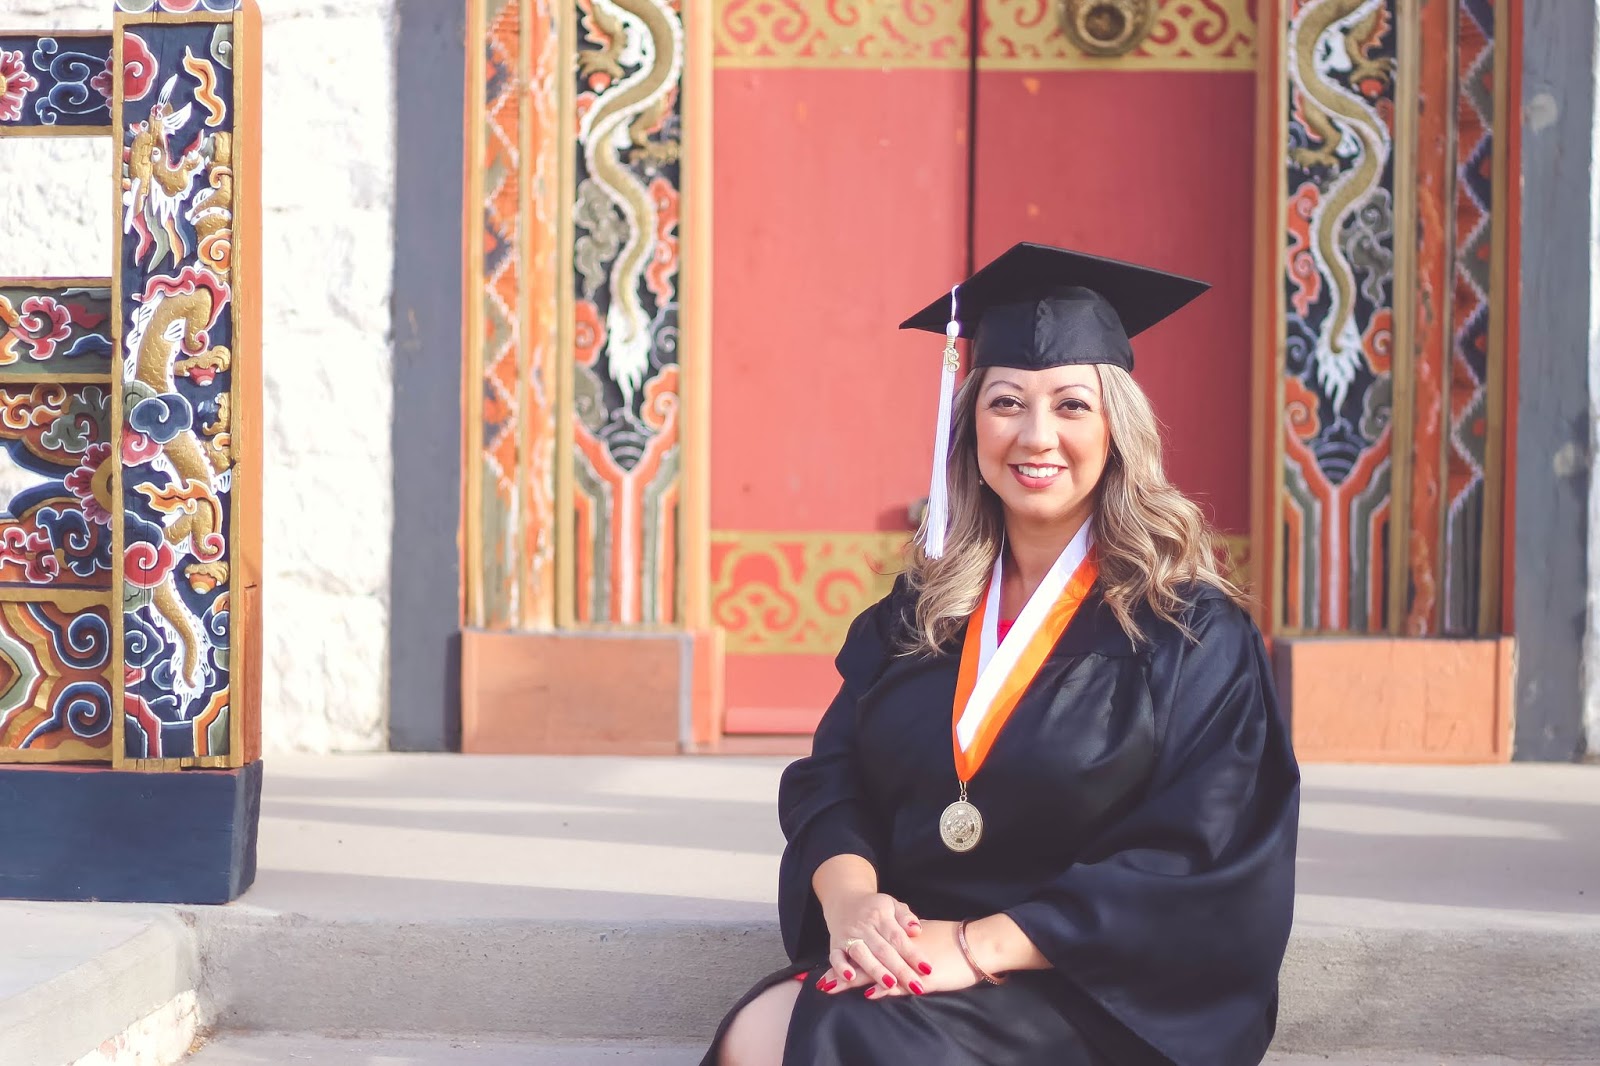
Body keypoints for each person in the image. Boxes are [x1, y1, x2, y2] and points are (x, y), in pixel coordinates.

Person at [703, 243, 1300, 1066]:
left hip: (1097, 983)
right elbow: (831, 779)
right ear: (971, 424)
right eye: (1006, 402)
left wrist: (979, 945)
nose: (1036, 435)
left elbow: (1203, 846)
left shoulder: (1189, 632)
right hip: (919, 951)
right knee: (759, 1028)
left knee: (829, 1034)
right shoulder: (920, 613)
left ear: (1117, 429)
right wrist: (852, 903)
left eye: (1072, 406)